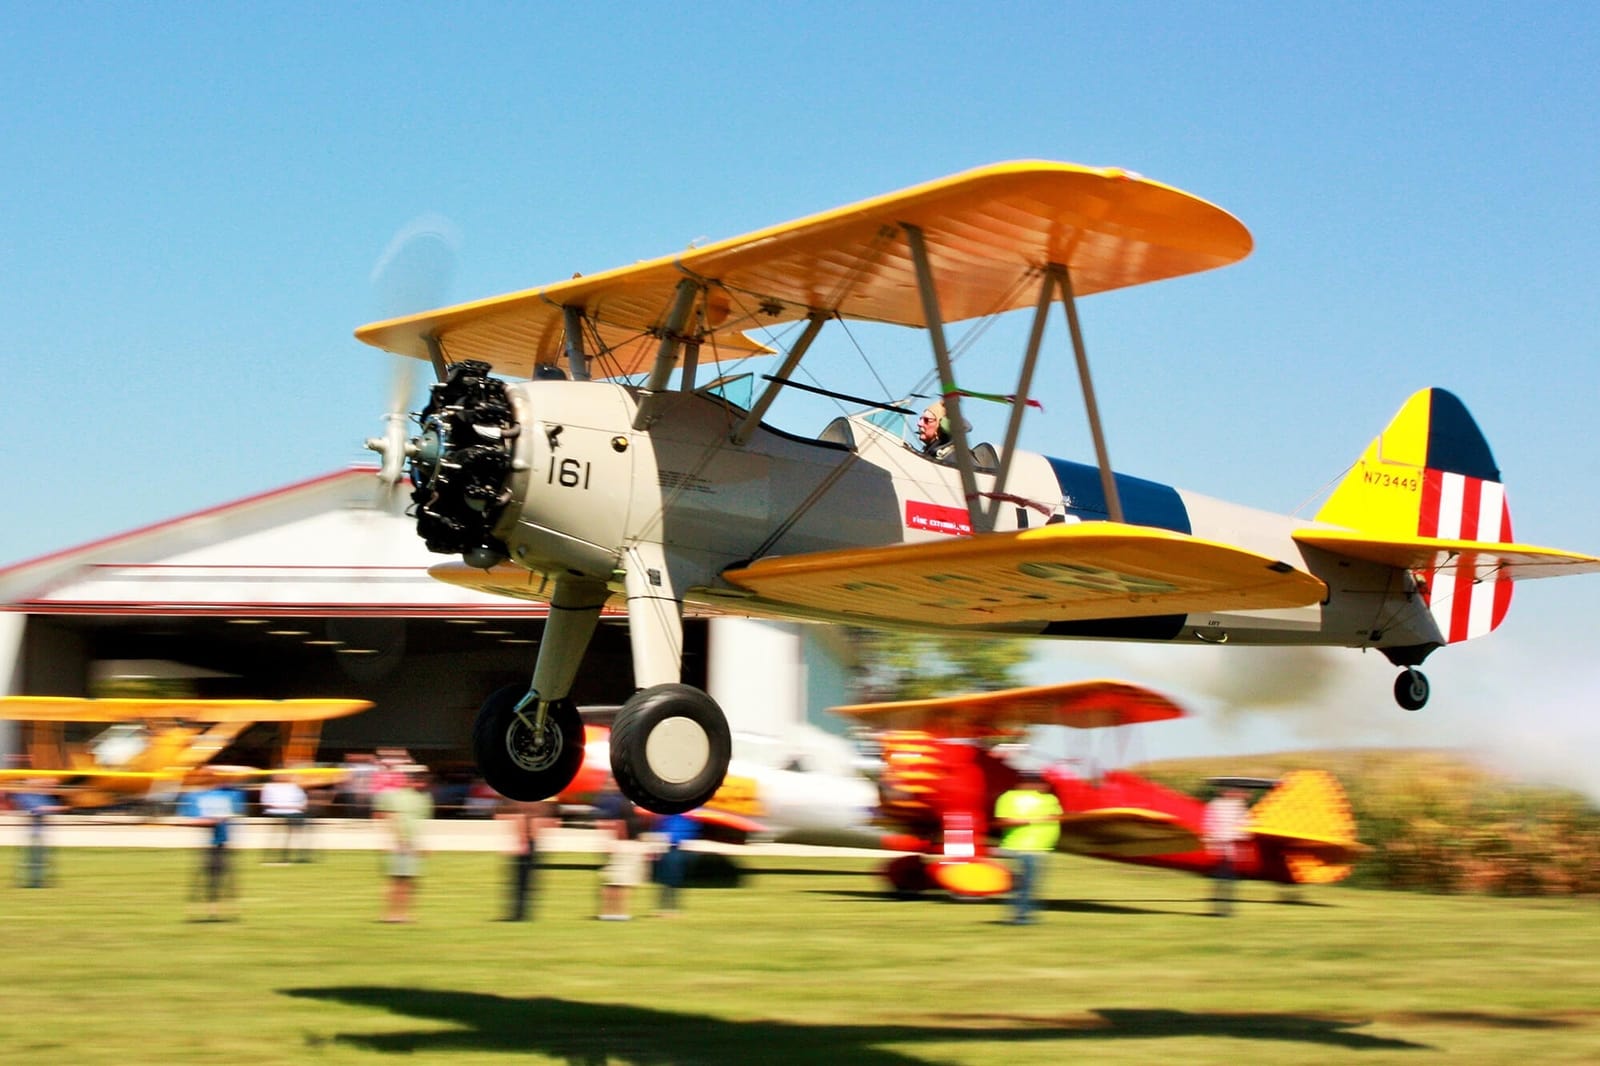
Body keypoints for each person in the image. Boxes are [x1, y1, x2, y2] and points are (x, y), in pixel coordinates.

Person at [992, 771, 1063, 925]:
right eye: (1042, 783)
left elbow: (1055, 817)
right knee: (1026, 886)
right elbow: (1003, 821)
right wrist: (1031, 821)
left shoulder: (1050, 799)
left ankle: (1025, 914)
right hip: (1022, 848)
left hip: (1041, 849)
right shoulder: (1010, 797)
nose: (1046, 786)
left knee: (1029, 885)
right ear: (1028, 783)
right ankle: (1021, 917)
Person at [179, 775, 246, 920]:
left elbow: (215, 819)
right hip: (214, 843)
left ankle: (215, 909)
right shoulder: (206, 797)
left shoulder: (215, 798)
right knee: (213, 876)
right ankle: (213, 909)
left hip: (217, 843)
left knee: (215, 876)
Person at [374, 767, 433, 922]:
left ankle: (404, 914)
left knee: (410, 882)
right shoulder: (395, 796)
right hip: (399, 844)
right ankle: (391, 914)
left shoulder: (425, 798)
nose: (421, 783)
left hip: (413, 843)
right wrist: (397, 839)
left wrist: (422, 844)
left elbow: (421, 822)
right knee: (396, 881)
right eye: (417, 779)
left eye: (423, 780)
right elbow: (389, 817)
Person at [497, 797, 556, 921]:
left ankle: (518, 914)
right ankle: (521, 913)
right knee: (524, 880)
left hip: (527, 842)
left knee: (520, 880)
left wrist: (523, 841)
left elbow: (522, 817)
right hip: (530, 841)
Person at [594, 787, 648, 921]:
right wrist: (619, 842)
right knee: (620, 882)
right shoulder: (622, 801)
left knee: (617, 882)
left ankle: (611, 912)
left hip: (627, 844)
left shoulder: (625, 801)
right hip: (625, 845)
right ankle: (616, 912)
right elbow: (618, 824)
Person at [1203, 787, 1251, 916]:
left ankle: (1222, 908)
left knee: (1224, 878)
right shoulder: (1234, 806)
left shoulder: (1218, 805)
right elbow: (1245, 827)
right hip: (1225, 846)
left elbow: (1208, 826)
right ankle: (1223, 908)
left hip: (1226, 846)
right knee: (1225, 878)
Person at [14, 781, 64, 888]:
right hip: (32, 831)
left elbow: (53, 808)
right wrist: (45, 809)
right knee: (31, 858)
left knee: (43, 858)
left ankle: (40, 881)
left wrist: (46, 809)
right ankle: (32, 882)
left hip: (42, 831)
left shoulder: (42, 796)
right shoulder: (24, 796)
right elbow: (35, 810)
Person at [651, 812, 698, 916]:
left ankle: (668, 908)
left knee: (670, 880)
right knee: (671, 880)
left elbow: (658, 827)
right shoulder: (684, 814)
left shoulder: (673, 815)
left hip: (675, 847)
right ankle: (669, 908)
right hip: (672, 847)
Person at [259, 775, 309, 864]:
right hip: (277, 812)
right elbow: (266, 803)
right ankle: (276, 856)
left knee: (295, 830)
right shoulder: (269, 787)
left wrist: (299, 807)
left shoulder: (293, 786)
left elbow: (303, 802)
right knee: (279, 834)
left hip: (292, 812)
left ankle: (292, 855)